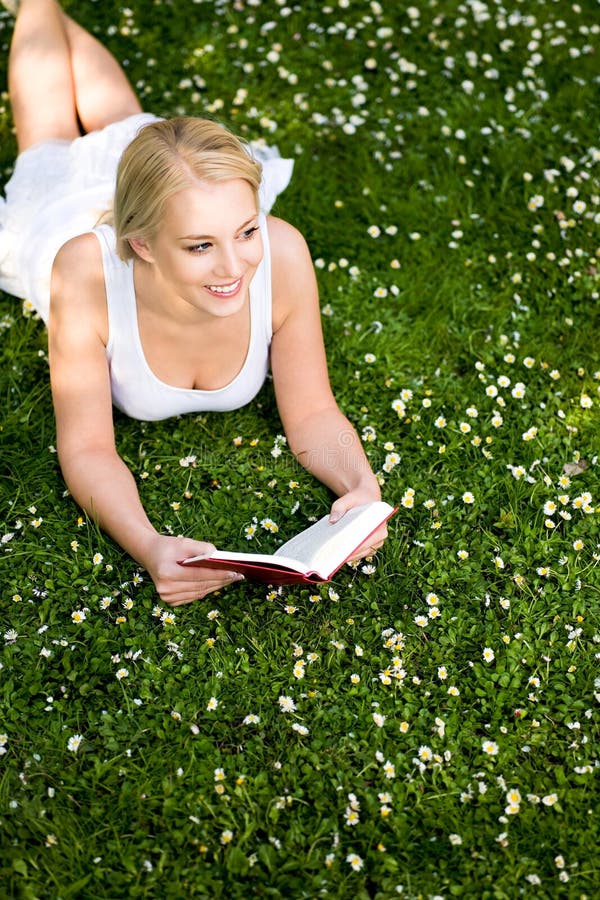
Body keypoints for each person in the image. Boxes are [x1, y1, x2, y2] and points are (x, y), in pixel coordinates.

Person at [0, 0, 387, 605]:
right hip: (64, 217)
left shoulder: (280, 253)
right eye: (201, 246)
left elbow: (313, 412)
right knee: (48, 140)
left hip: (164, 189)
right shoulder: (83, 275)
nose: (235, 268)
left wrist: (361, 486)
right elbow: (87, 448)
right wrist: (148, 543)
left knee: (127, 123)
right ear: (142, 246)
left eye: (246, 230)